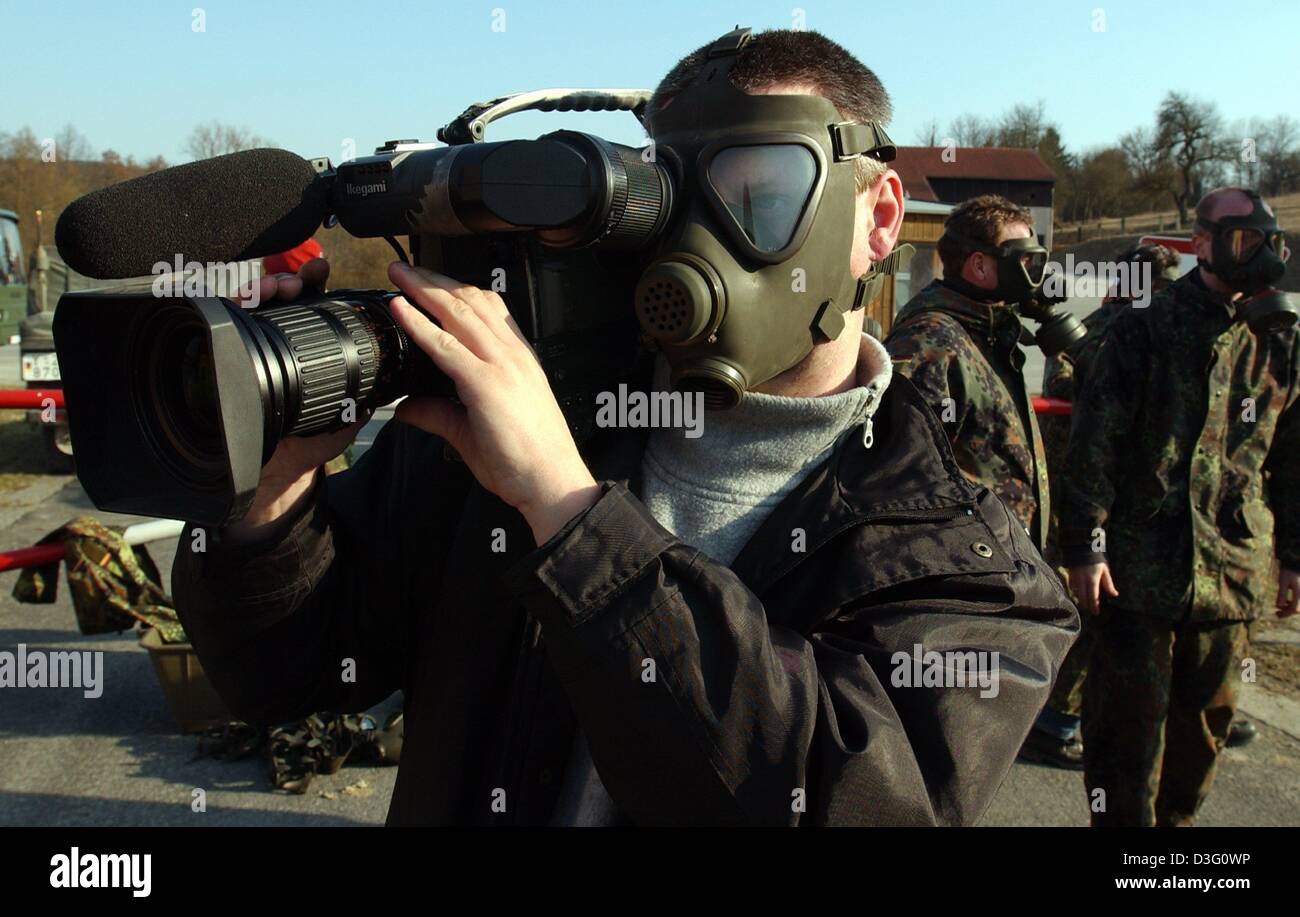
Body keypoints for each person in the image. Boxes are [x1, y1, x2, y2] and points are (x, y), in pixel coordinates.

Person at [172, 27, 1077, 826]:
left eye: (755, 193)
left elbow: (833, 794)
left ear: (877, 217)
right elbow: (284, 676)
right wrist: (275, 482)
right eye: (668, 204)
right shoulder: (506, 422)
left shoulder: (966, 564)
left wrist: (566, 511)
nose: (697, 244)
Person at [1061, 187, 1299, 827]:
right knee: (1124, 737)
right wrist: (1084, 545)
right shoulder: (1146, 326)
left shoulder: (1276, 339)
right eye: (1242, 239)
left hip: (1230, 574)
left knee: (1205, 731)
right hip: (1138, 574)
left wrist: (1294, 557)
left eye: (1267, 241)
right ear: (1201, 244)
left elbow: (1291, 458)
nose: (1258, 254)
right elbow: (1095, 440)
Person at [884, 197, 1077, 763]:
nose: (1038, 271)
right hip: (959, 605)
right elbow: (899, 489)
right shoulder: (931, 342)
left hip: (1000, 591)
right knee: (939, 763)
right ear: (979, 266)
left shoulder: (989, 335)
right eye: (1026, 257)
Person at [1033, 243, 1182, 765]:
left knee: (1095, 606)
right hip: (1105, 495)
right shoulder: (1124, 334)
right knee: (1090, 607)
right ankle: (1057, 719)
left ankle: (1064, 714)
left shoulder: (1106, 328)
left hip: (1099, 494)